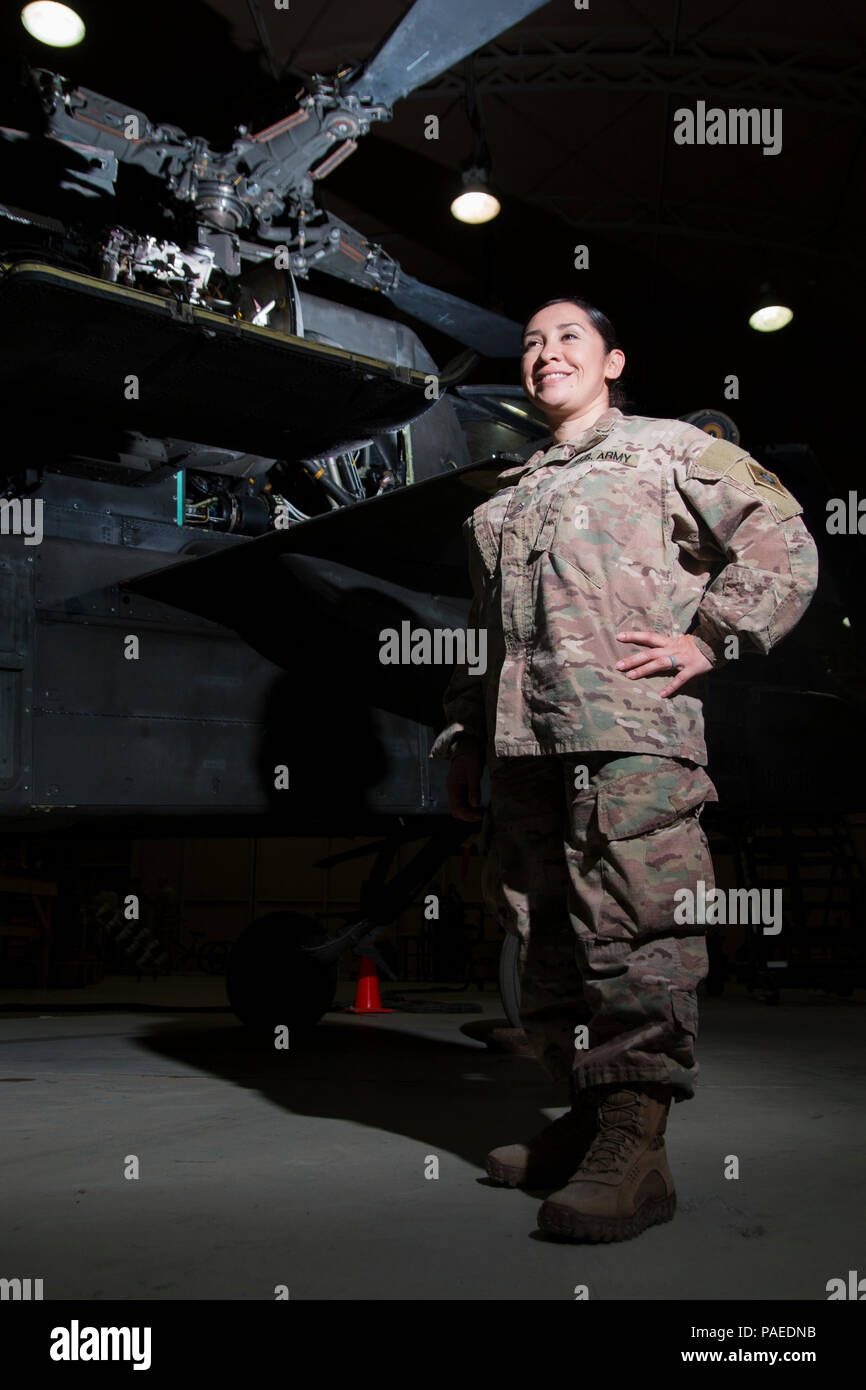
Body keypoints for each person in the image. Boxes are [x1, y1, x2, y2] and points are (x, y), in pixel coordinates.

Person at [429, 296, 819, 1242]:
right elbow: (493, 638)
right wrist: (466, 737)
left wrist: (712, 636)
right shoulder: (507, 495)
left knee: (636, 927)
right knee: (550, 937)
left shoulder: (670, 449)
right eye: (530, 342)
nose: (545, 352)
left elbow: (784, 539)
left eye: (568, 337)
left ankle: (638, 1150)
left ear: (612, 362)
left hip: (627, 738)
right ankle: (587, 1117)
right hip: (524, 747)